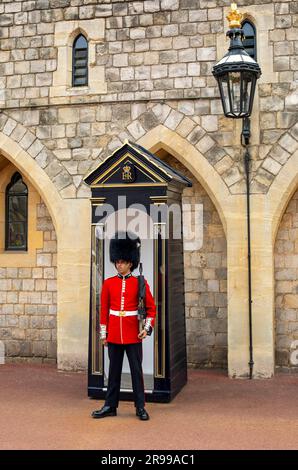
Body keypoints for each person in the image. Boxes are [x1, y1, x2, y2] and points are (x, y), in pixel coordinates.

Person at [91, 231, 156, 421]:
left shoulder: (139, 283)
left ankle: (140, 407)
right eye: (117, 261)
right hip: (114, 335)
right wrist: (104, 334)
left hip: (133, 334)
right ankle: (110, 405)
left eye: (122, 261)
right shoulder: (109, 283)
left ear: (130, 262)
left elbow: (151, 310)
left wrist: (147, 328)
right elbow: (104, 311)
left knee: (136, 372)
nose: (119, 265)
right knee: (113, 373)